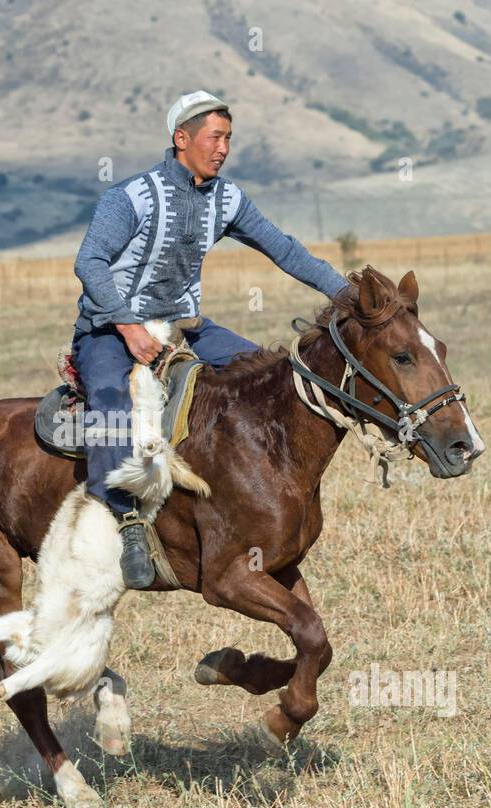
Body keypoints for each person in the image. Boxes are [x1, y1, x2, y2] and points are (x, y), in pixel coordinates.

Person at [72, 90, 357, 589]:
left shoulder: (228, 199)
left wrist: (351, 297)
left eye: (229, 139)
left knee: (271, 375)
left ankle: (241, 492)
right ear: (182, 139)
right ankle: (126, 521)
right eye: (215, 137)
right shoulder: (130, 196)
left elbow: (285, 250)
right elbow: (89, 262)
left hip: (186, 327)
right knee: (112, 401)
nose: (223, 148)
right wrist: (128, 327)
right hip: (110, 330)